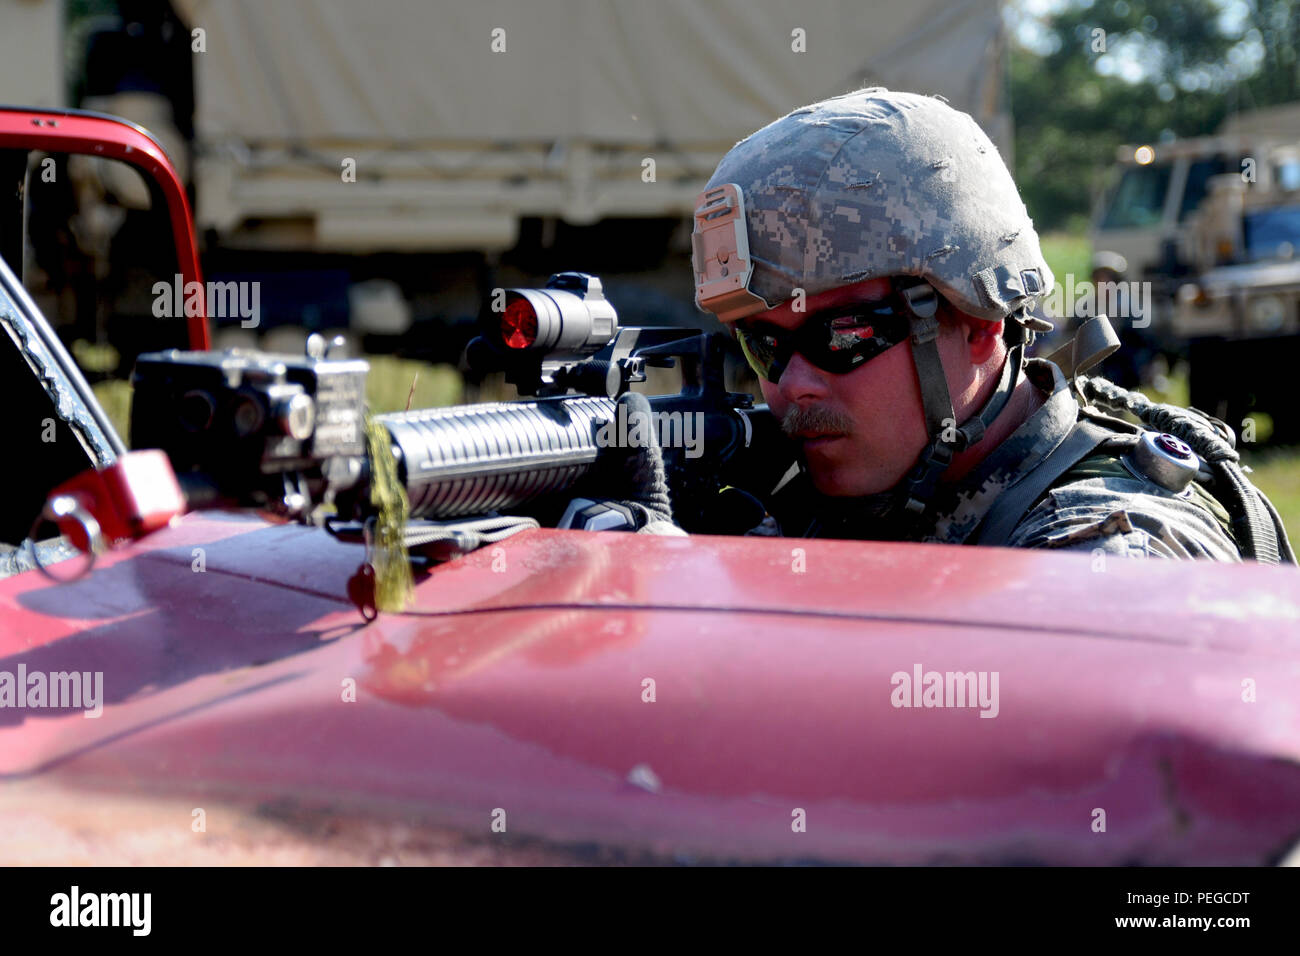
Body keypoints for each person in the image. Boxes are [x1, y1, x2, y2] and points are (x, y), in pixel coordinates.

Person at [688, 88, 1293, 563]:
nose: (791, 385)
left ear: (978, 323)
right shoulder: (851, 507)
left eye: (842, 337)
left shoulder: (1106, 549)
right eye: (763, 345)